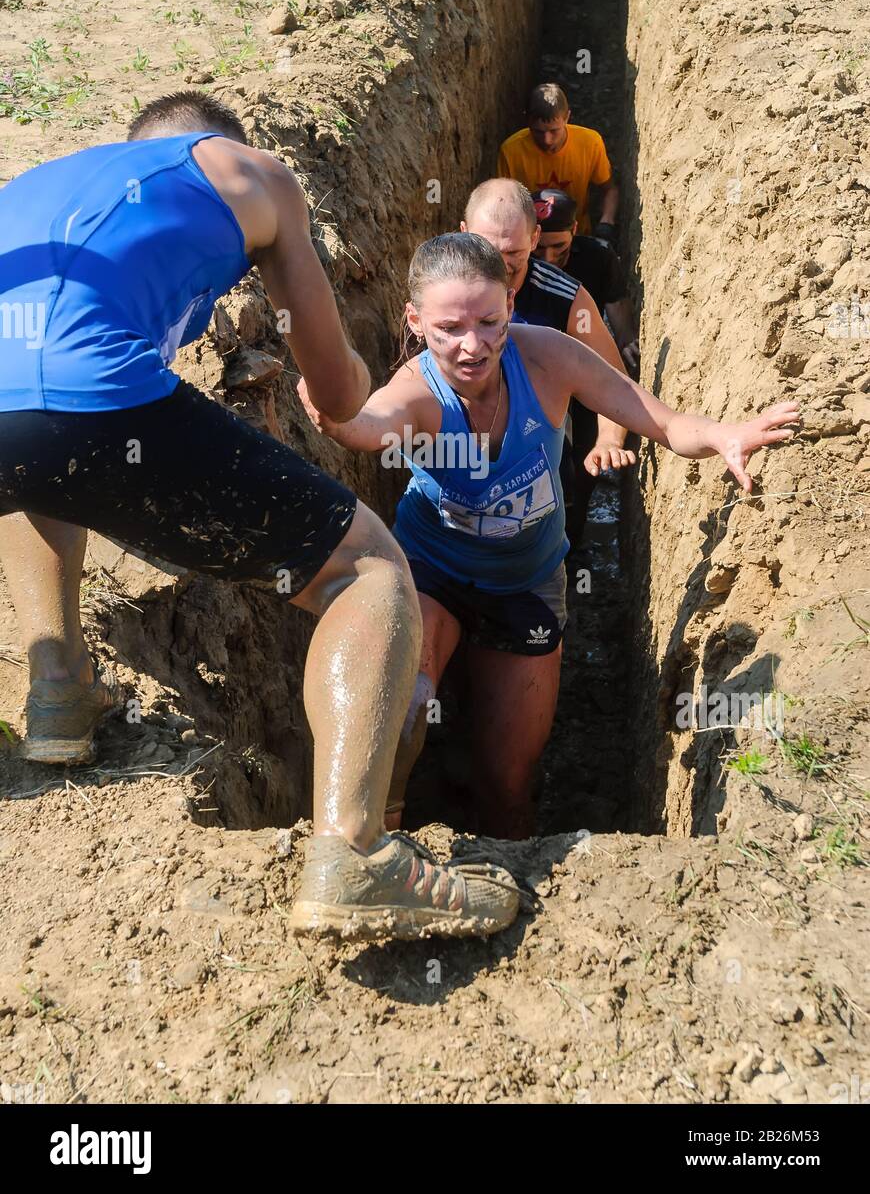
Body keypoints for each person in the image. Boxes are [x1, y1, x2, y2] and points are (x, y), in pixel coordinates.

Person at [0, 91, 521, 941]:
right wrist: (350, 372)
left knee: (34, 457)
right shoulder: (253, 174)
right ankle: (354, 850)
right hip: (96, 391)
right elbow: (340, 389)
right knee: (372, 573)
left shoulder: (37, 183)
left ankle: (56, 693)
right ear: (216, 146)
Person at [298, 232, 800, 840]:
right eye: (449, 327)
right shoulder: (417, 390)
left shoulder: (547, 358)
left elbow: (658, 419)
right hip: (436, 574)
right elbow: (371, 427)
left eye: (488, 320)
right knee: (405, 709)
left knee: (508, 783)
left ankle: (516, 869)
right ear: (415, 320)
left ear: (511, 302)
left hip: (527, 584)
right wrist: (333, 416)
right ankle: (381, 838)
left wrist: (724, 435)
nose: (472, 344)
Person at [463, 178, 633, 541]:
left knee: (560, 519)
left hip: (545, 451)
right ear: (463, 233)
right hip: (466, 457)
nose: (498, 267)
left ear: (534, 239)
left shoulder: (566, 299)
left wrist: (608, 441)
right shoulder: (440, 290)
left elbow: (612, 381)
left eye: (512, 256)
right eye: (486, 251)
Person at [533, 188, 639, 374]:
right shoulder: (517, 265)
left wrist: (627, 348)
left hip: (586, 359)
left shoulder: (598, 258)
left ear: (574, 229)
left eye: (558, 246)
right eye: (539, 248)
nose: (548, 258)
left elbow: (621, 321)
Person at [497, 83, 618, 236]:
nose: (547, 140)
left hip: (578, 234)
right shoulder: (511, 151)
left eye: (554, 131)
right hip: (532, 238)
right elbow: (504, 204)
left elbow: (609, 189)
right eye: (538, 132)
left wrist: (607, 221)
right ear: (527, 120)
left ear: (567, 117)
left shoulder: (590, 143)